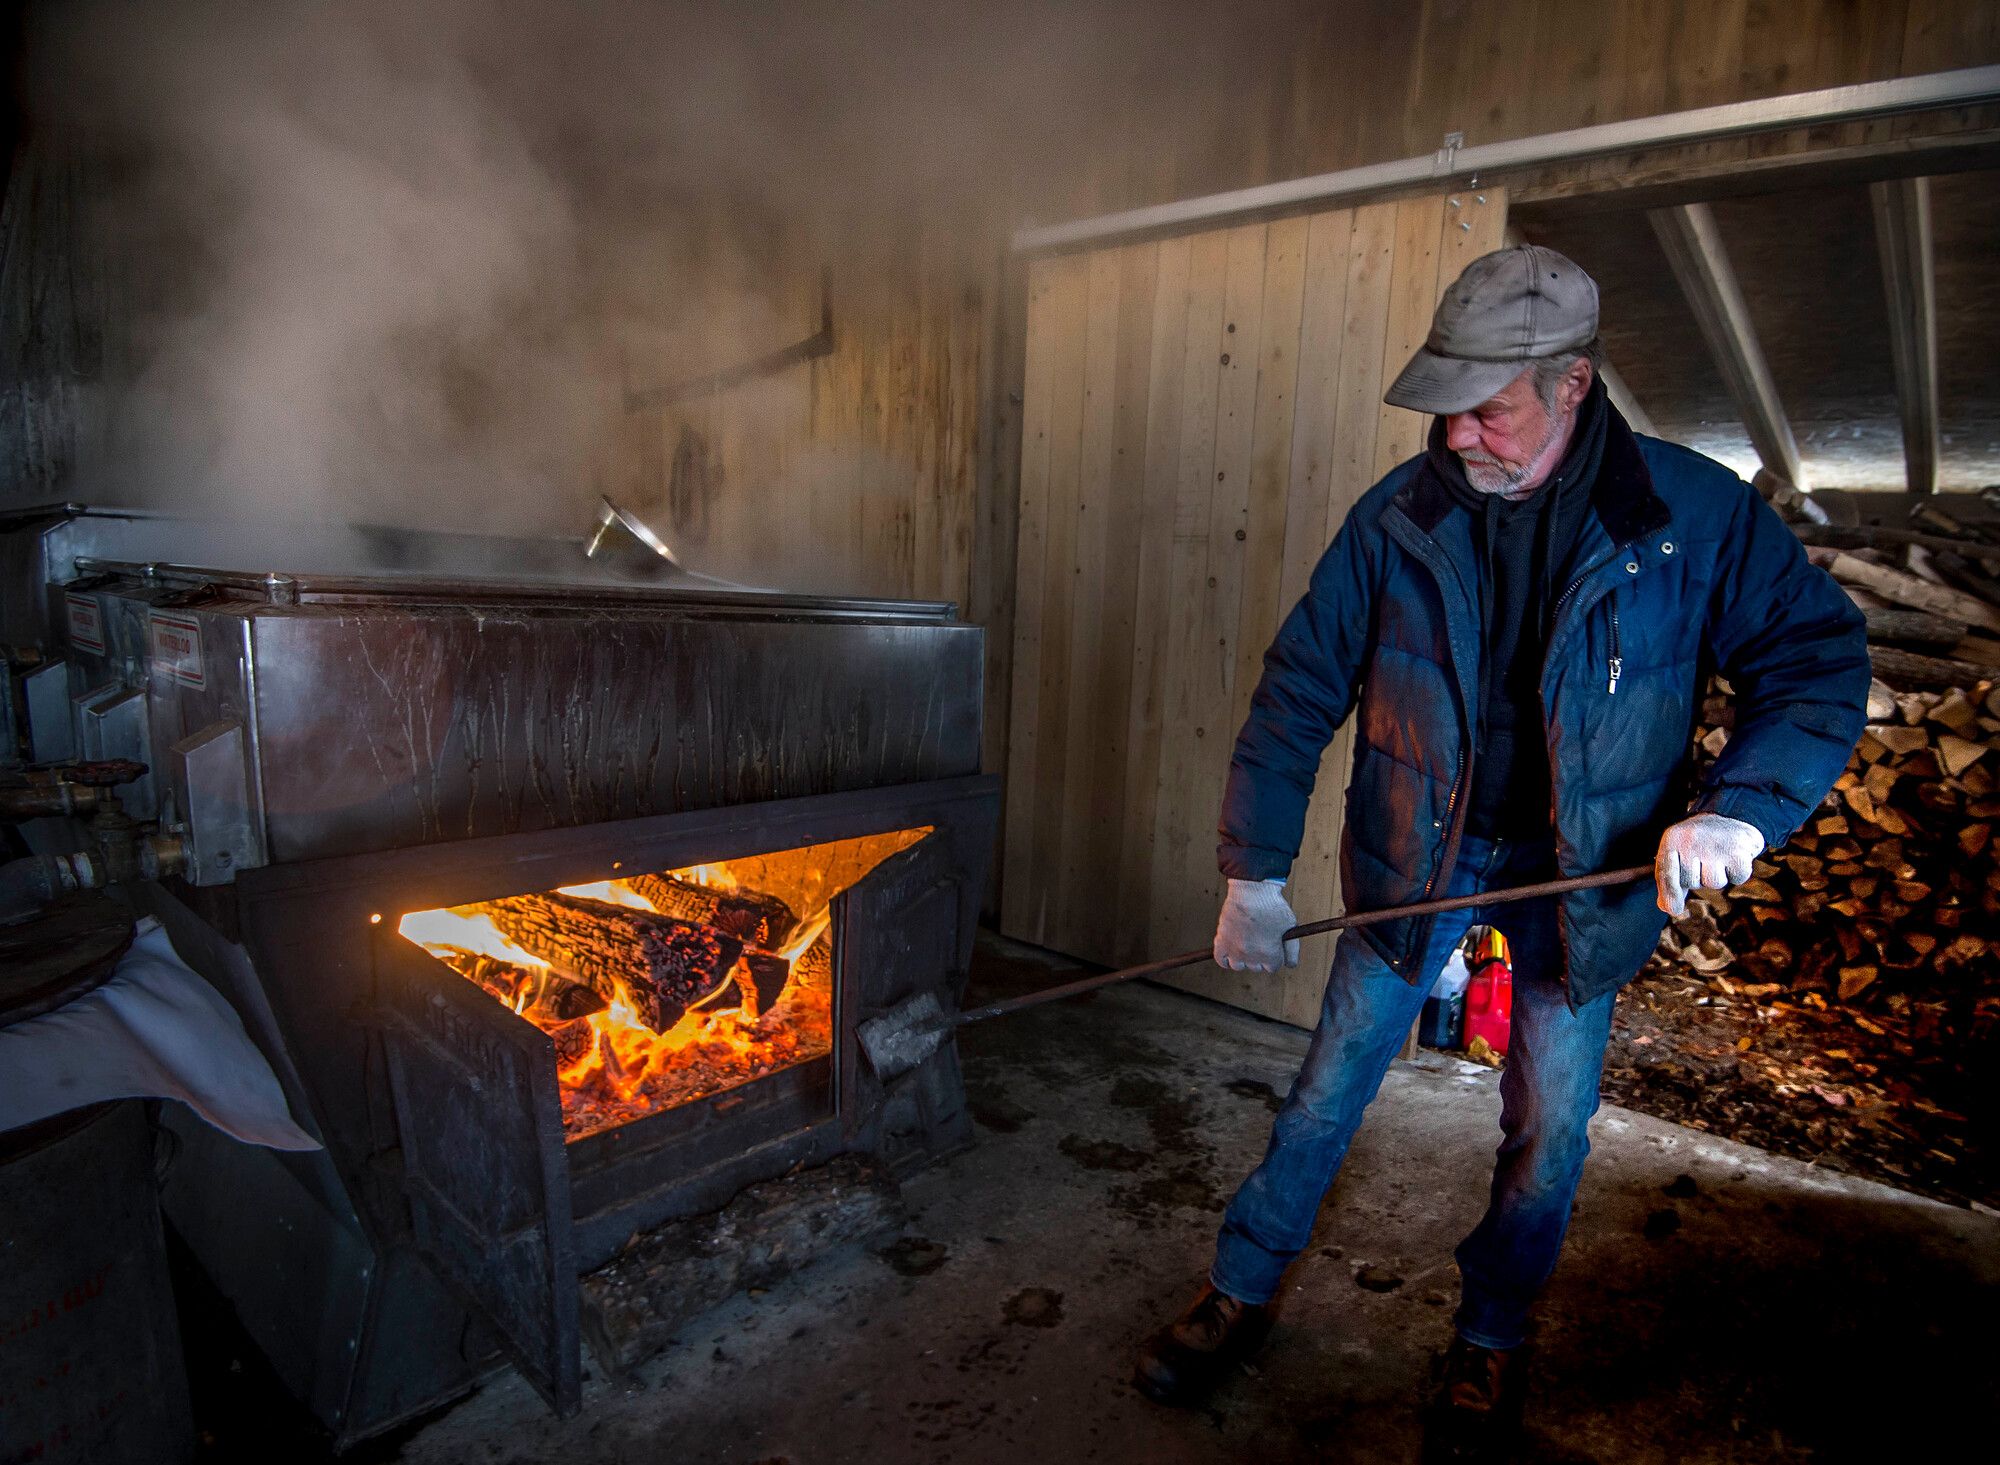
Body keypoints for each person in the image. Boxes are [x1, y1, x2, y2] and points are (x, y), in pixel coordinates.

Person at [1131, 244, 1870, 1452]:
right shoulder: (1399, 515)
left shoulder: (1688, 516)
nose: (1457, 434)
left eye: (1487, 409)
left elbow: (1815, 661)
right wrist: (1251, 871)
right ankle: (1240, 1289)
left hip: (1583, 874)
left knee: (1546, 1131)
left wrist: (1741, 805)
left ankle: (1489, 1339)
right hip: (1416, 853)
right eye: (1446, 407)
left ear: (1571, 383)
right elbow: (1297, 689)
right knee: (1324, 1090)